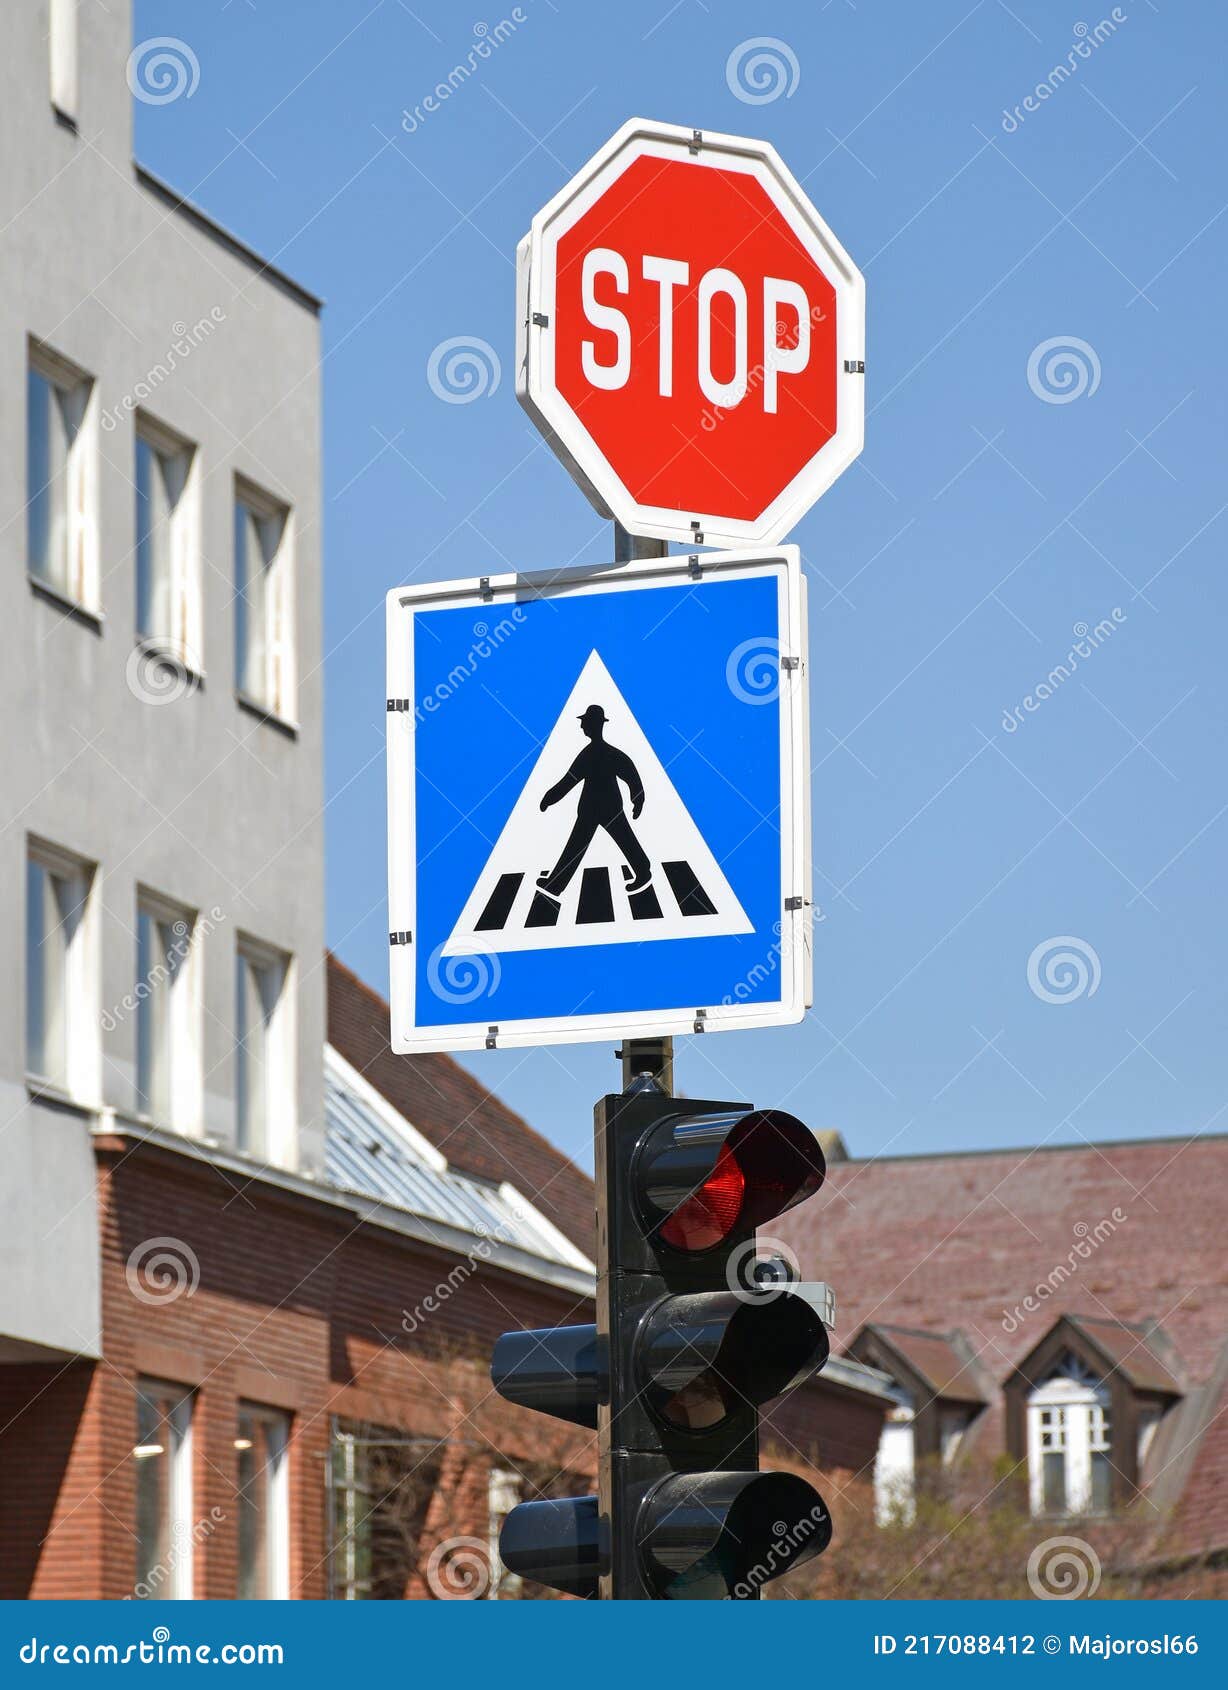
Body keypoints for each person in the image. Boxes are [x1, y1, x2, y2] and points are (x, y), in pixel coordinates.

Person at [537, 705, 652, 897]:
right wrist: (637, 798)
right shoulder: (606, 752)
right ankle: (642, 870)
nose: (582, 726)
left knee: (581, 845)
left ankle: (556, 884)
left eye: (584, 722)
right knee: (591, 843)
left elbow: (569, 781)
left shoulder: (592, 753)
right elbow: (630, 773)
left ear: (593, 725)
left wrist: (548, 799)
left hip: (596, 808)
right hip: (604, 807)